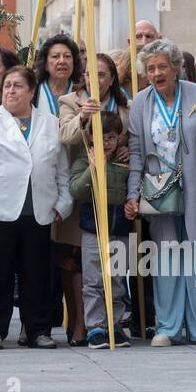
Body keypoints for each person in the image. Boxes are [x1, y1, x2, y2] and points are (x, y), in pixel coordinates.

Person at [124, 38, 196, 346]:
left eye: (162, 67)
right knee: (166, 258)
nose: (156, 73)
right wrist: (133, 194)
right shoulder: (141, 103)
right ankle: (167, 327)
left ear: (175, 68)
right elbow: (135, 154)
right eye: (150, 68)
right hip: (160, 192)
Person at [0, 65, 71, 349]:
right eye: (7, 85)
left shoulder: (49, 121)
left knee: (37, 274)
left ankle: (38, 330)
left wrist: (63, 201)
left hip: (39, 209)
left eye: (18, 85)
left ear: (31, 91)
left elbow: (61, 166)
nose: (10, 90)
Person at [70, 111, 134, 347]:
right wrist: (94, 168)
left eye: (110, 138)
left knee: (117, 280)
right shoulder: (84, 160)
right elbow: (76, 190)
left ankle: (114, 324)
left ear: (119, 138)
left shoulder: (123, 160)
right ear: (90, 137)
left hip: (119, 229)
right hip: (93, 230)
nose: (106, 143)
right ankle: (95, 327)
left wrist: (132, 204)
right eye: (100, 137)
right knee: (93, 280)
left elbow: (133, 186)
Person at [33, 33, 83, 117]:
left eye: (67, 56)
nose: (62, 61)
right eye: (55, 56)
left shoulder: (81, 91)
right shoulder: (34, 90)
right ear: (45, 64)